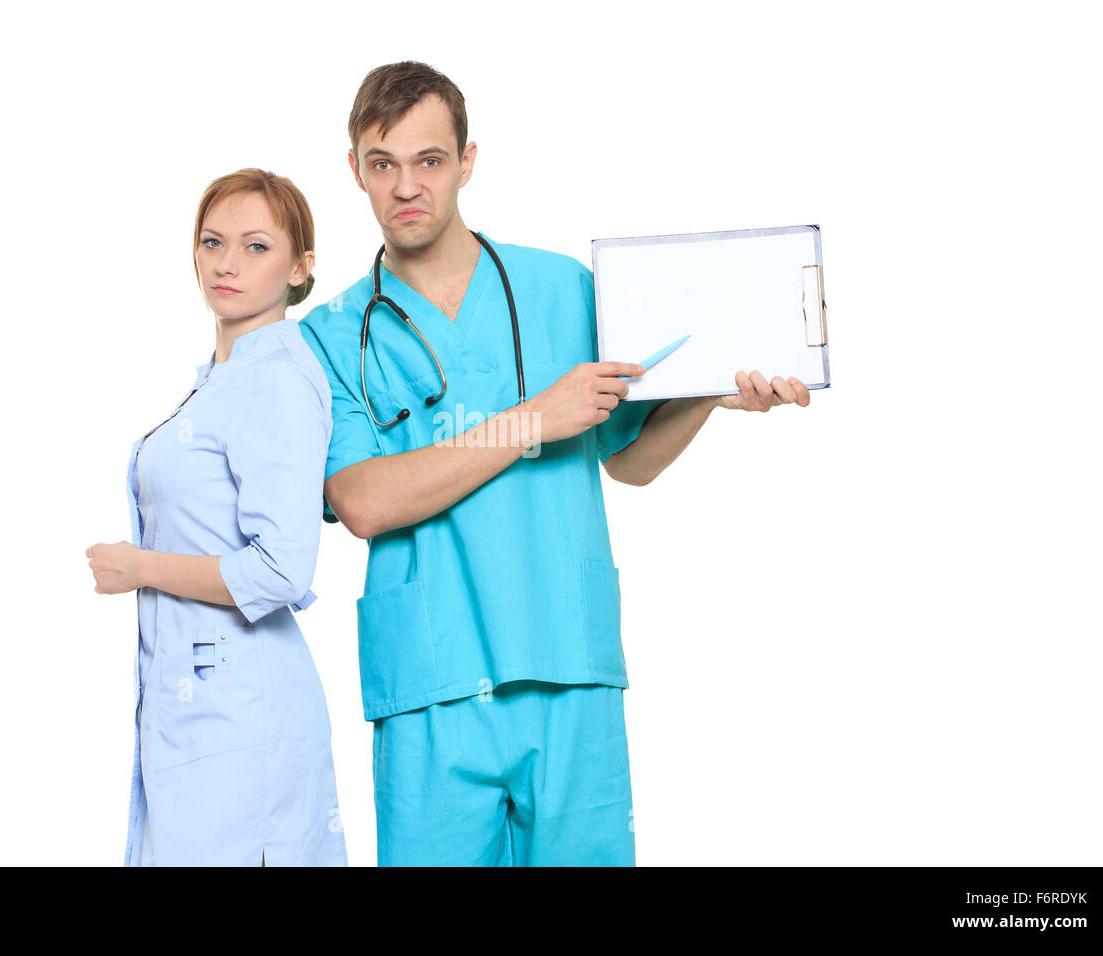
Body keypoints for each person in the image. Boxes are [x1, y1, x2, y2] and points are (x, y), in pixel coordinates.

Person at [299, 62, 811, 866]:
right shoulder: (332, 336)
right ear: (355, 169)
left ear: (467, 162)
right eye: (383, 162)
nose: (406, 186)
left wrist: (706, 397)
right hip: (432, 688)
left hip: (568, 670)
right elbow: (361, 500)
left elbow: (629, 463)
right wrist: (535, 418)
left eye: (429, 160)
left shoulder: (564, 290)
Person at [87, 168, 347, 866]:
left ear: (301, 267)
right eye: (213, 241)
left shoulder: (279, 380)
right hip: (201, 707)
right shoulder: (222, 381)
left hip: (242, 712)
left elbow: (282, 567)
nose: (227, 263)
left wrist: (140, 568)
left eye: (256, 247)